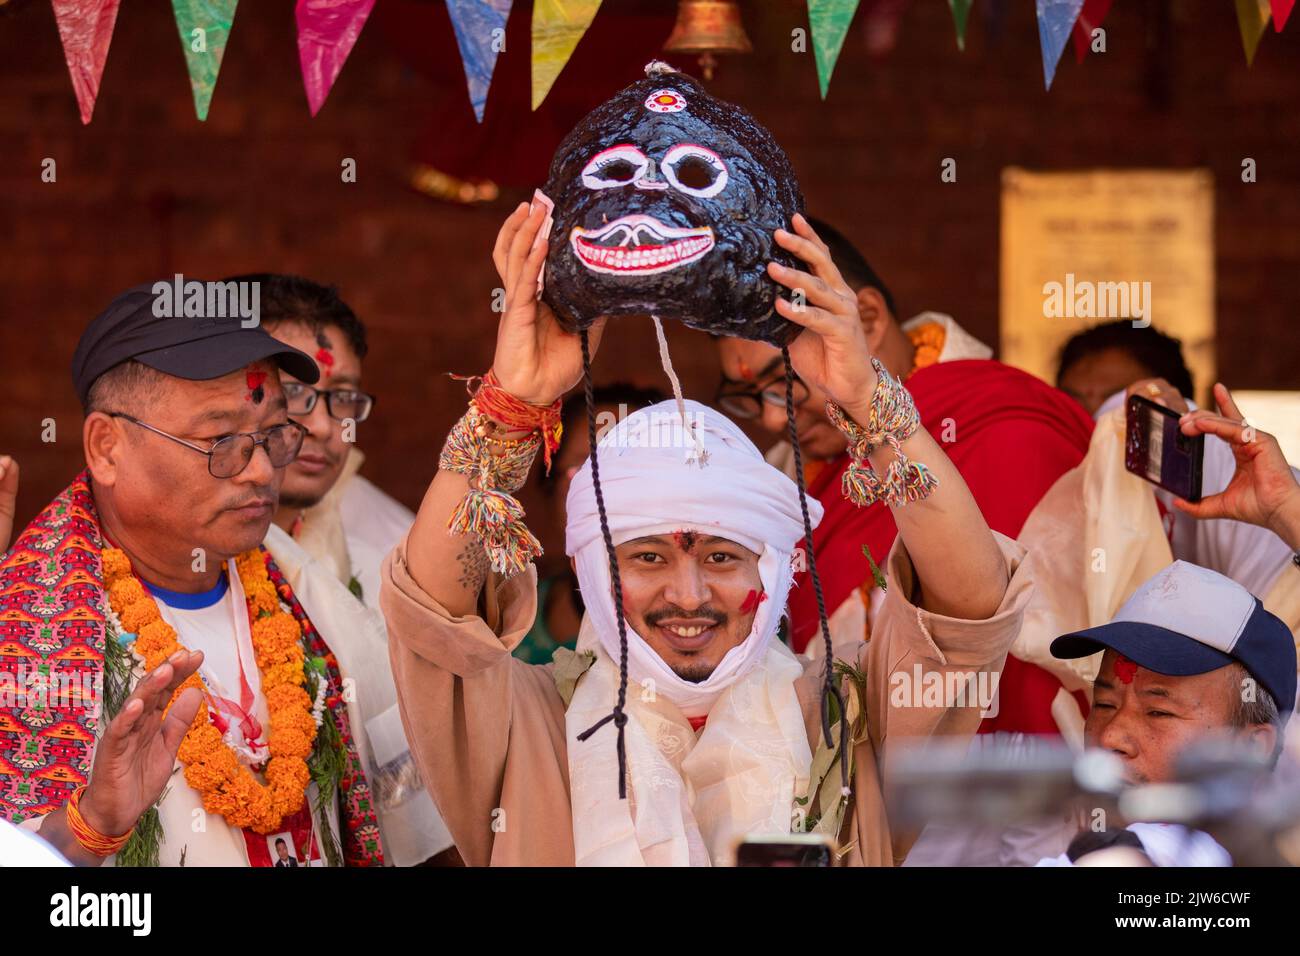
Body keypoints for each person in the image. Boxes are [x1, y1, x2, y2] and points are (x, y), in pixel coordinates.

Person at [381, 203, 1034, 866]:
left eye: (722, 555)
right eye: (647, 556)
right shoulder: (528, 729)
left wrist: (868, 400)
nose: (687, 595)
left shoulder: (848, 723)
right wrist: (512, 404)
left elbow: (968, 605)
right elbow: (433, 613)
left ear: (771, 569)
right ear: (591, 570)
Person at [0, 283, 388, 866]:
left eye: (272, 435)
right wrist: (92, 826)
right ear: (106, 448)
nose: (259, 471)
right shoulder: (27, 629)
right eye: (222, 441)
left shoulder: (301, 590)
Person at [715, 217, 1094, 738]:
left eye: (783, 383)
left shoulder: (1007, 427)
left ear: (865, 319)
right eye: (749, 397)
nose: (774, 419)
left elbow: (1030, 638)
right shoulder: (788, 466)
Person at [243, 274, 456, 865]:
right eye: (295, 392)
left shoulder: (395, 549)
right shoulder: (175, 561)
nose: (322, 426)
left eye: (343, 397)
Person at [1053, 320, 1298, 601]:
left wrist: (1282, 508)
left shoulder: (1227, 473)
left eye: (1120, 402)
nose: (1099, 420)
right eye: (1074, 405)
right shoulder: (1058, 481)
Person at [516, 383, 666, 664]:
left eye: (636, 471)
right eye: (586, 470)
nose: (609, 490)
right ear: (550, 489)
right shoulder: (508, 622)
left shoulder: (714, 621)